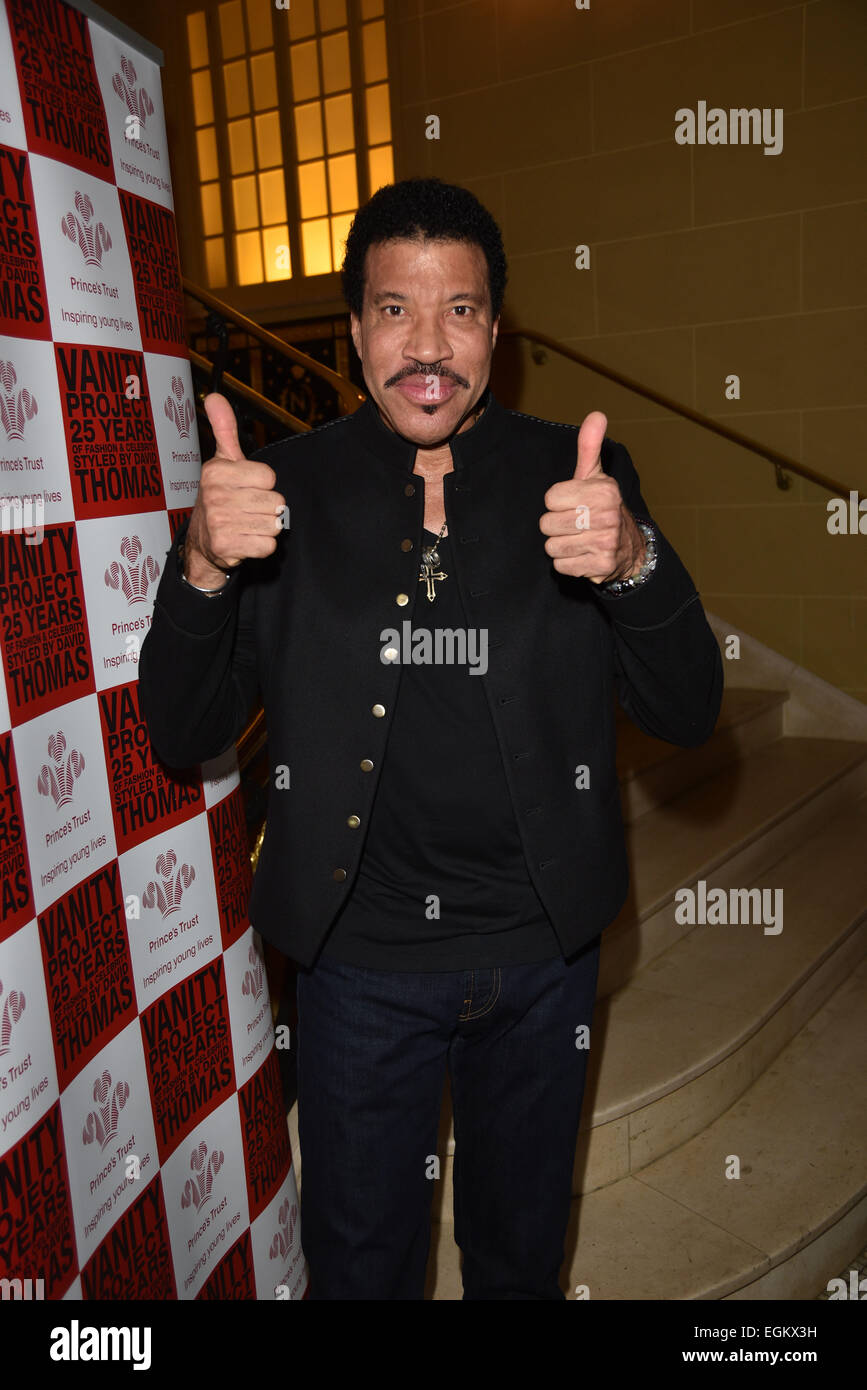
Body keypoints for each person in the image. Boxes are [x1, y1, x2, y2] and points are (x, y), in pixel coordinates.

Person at [139, 177, 723, 1301]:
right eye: (394, 308)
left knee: (517, 1260)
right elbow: (185, 728)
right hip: (361, 968)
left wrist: (637, 558)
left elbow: (688, 707)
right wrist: (204, 562)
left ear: (496, 332)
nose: (427, 346)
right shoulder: (281, 489)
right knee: (364, 1269)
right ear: (354, 326)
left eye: (459, 310)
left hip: (544, 960)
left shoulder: (581, 476)